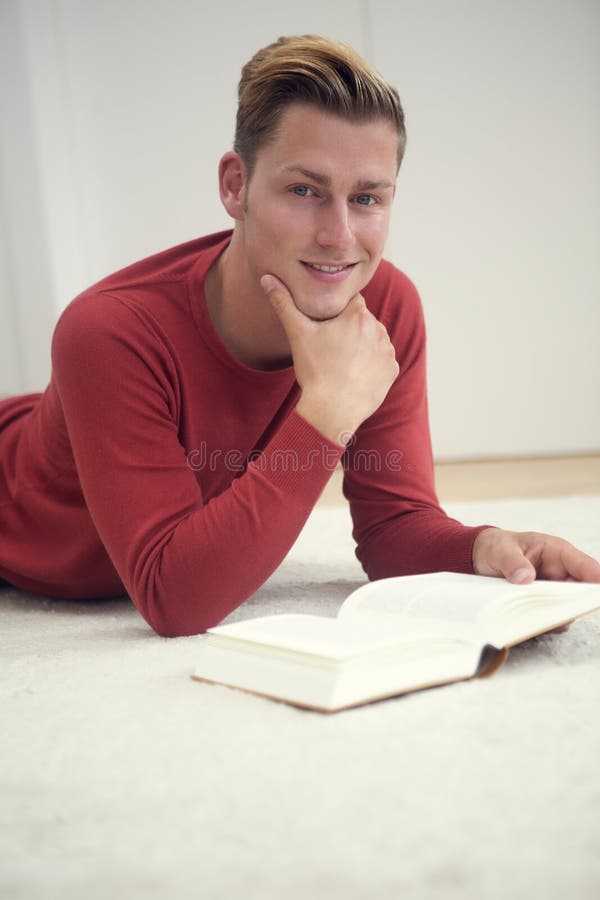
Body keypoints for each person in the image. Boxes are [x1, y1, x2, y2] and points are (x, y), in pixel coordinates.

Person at [0, 35, 598, 637]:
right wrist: (326, 411)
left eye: (366, 198)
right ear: (236, 186)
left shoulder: (385, 308)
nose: (339, 236)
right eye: (305, 190)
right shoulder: (109, 331)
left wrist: (483, 549)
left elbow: (394, 526)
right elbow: (173, 597)